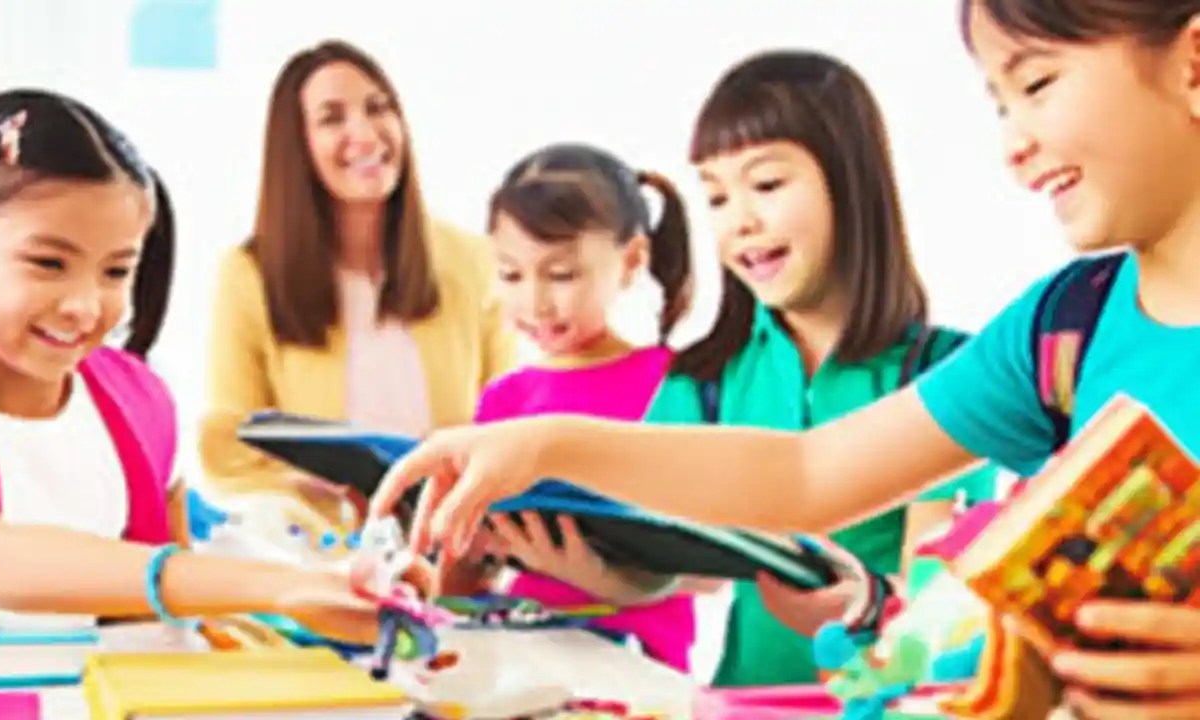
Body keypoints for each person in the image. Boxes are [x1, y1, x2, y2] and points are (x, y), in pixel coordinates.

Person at [371, 1, 1200, 715]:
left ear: (1192, 60)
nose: (1013, 146)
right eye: (998, 104)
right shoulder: (1064, 327)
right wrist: (543, 444)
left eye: (1038, 84)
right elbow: (809, 473)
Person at [0, 89, 426, 638]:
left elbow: (164, 608)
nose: (85, 306)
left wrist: (318, 590)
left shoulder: (140, 404)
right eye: (48, 263)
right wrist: (275, 587)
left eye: (115, 271)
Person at [640, 49, 998, 687]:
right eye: (716, 197)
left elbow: (938, 590)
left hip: (892, 702)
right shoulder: (703, 379)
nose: (739, 220)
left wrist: (862, 601)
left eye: (767, 185)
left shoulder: (948, 372)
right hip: (741, 702)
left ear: (850, 182)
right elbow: (672, 564)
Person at [200, 40, 514, 531]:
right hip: (324, 553)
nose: (364, 134)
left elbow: (506, 421)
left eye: (377, 108)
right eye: (332, 118)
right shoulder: (250, 274)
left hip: (455, 544)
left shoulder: (472, 260)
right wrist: (330, 496)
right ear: (297, 144)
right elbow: (227, 444)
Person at [462, 143, 696, 672]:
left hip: (638, 672)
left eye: (561, 275)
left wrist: (598, 577)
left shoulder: (672, 384)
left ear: (631, 260)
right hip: (520, 662)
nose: (535, 303)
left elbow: (714, 567)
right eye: (511, 275)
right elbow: (466, 573)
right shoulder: (504, 400)